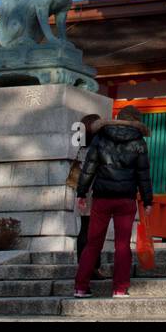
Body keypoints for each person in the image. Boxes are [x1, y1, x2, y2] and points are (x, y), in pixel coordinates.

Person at [74, 106, 153, 298]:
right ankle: (119, 288)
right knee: (122, 245)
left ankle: (81, 287)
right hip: (126, 199)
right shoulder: (139, 142)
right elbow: (143, 174)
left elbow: (89, 168)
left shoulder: (101, 137)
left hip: (102, 197)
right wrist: (148, 200)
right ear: (136, 122)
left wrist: (81, 192)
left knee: (93, 243)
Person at [68, 113, 104, 280]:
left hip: (81, 192)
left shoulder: (81, 148)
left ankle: (82, 265)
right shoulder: (98, 148)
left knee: (84, 229)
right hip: (95, 191)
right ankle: (93, 266)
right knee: (95, 232)